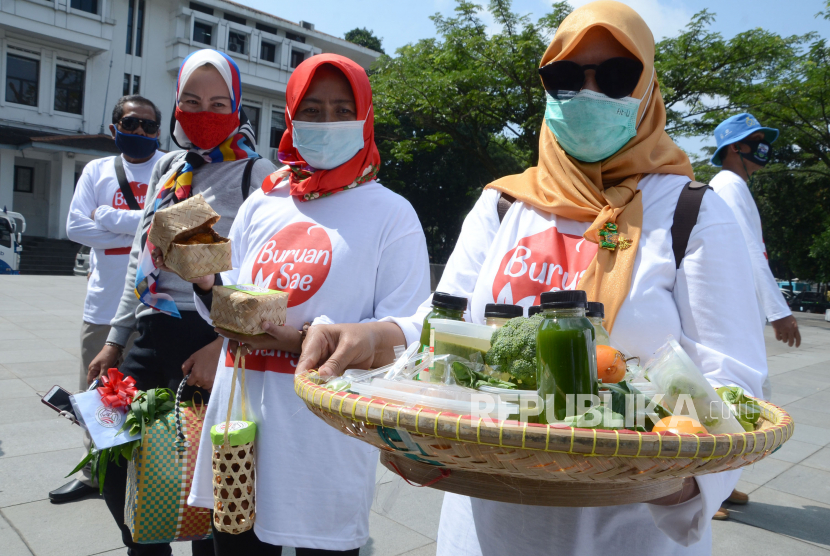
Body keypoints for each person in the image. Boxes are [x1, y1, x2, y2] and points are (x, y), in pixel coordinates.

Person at [296, 2, 768, 555]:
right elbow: (445, 321)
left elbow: (734, 387)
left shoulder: (691, 212)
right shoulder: (504, 204)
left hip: (625, 536)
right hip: (483, 529)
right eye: (566, 77)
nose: (588, 94)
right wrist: (375, 336)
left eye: (616, 75)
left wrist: (666, 475)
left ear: (648, 90)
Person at [181, 53, 430, 555]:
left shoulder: (391, 213)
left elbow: (411, 330)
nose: (327, 122)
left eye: (343, 109)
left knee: (324, 546)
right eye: (312, 110)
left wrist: (304, 341)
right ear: (291, 117)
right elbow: (232, 300)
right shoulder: (264, 202)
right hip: (240, 424)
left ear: (365, 118)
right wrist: (206, 282)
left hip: (322, 437)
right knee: (236, 546)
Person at [88, 49, 276, 555]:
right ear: (176, 107)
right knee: (127, 471)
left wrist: (223, 344)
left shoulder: (257, 176)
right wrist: (115, 339)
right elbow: (138, 254)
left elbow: (262, 276)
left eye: (219, 103)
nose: (204, 114)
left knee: (208, 487)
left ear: (238, 107)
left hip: (212, 340)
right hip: (154, 332)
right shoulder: (170, 167)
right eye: (191, 101)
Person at [54, 95, 164, 504]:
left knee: (150, 394)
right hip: (102, 305)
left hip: (154, 303)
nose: (140, 133)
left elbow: (171, 223)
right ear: (116, 125)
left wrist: (111, 218)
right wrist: (141, 229)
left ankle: (148, 473)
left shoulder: (169, 167)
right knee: (97, 393)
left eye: (150, 127)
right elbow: (74, 227)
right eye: (132, 124)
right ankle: (94, 473)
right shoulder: (97, 170)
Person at [708, 114, 797, 519]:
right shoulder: (729, 185)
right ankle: (708, 489)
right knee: (732, 393)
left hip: (732, 305)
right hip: (725, 307)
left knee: (737, 394)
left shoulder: (732, 186)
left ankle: (723, 482)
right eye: (755, 141)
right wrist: (780, 312)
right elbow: (751, 251)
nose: (763, 149)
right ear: (734, 148)